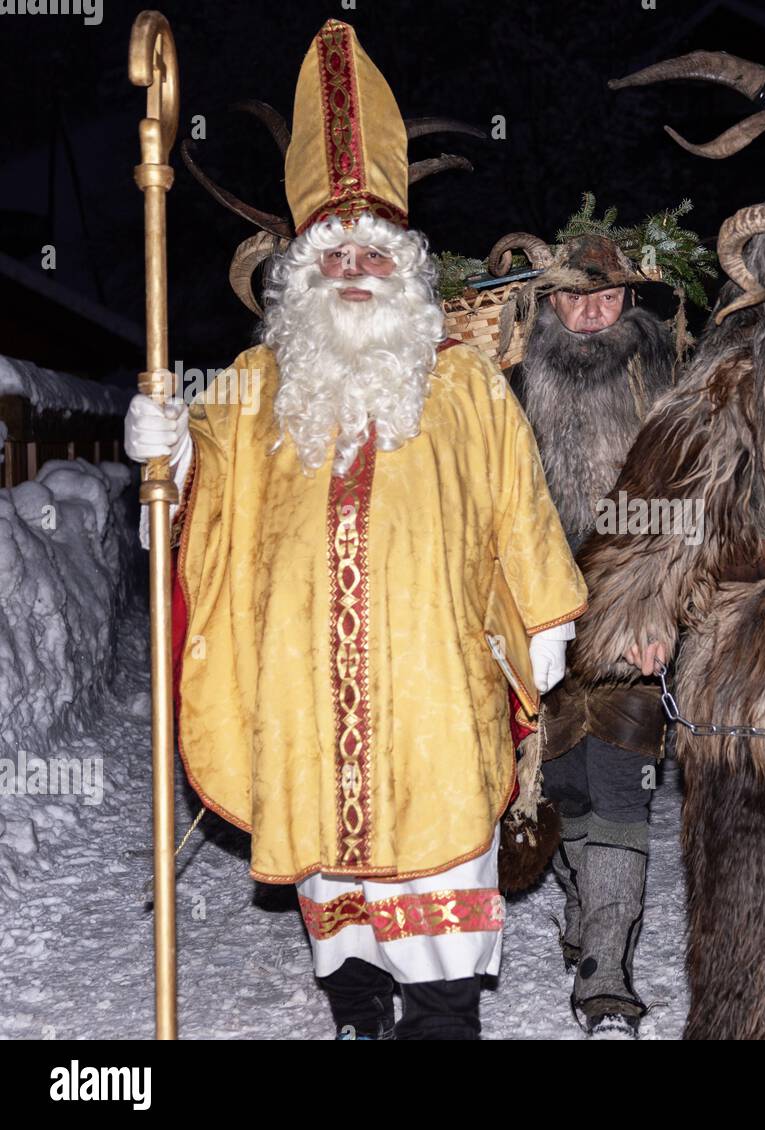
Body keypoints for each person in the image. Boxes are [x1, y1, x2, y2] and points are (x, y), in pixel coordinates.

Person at [124, 19, 586, 1039]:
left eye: (374, 251)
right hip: (301, 692)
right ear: (299, 272)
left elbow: (517, 500)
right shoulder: (253, 386)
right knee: (338, 891)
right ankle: (354, 1011)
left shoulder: (462, 379)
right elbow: (199, 511)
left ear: (407, 265)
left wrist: (546, 618)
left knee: (439, 874)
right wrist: (168, 450)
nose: (354, 268)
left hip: (434, 691)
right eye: (332, 253)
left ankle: (440, 1021)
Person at [485, 223, 680, 1037]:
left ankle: (608, 972)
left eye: (608, 294)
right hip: (537, 614)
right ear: (546, 298)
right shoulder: (506, 379)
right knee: (560, 788)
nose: (593, 311)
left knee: (623, 787)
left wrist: (663, 605)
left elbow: (687, 500)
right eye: (574, 294)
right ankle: (582, 905)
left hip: (633, 610)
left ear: (631, 296)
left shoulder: (661, 372)